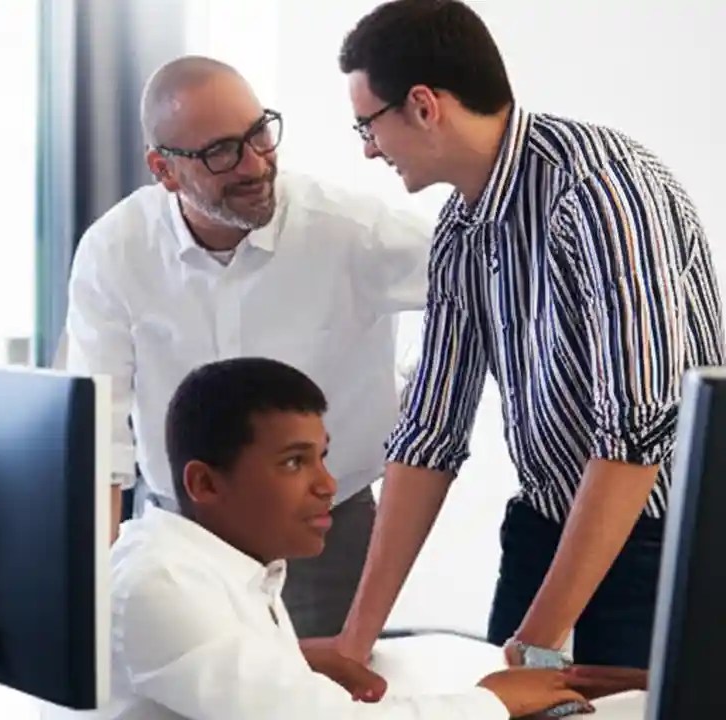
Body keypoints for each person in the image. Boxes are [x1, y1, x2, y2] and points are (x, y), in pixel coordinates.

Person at [329, 0, 725, 671]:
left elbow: (637, 433)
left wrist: (539, 644)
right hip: (544, 521)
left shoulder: (604, 191)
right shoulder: (459, 230)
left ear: (424, 105)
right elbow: (430, 431)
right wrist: (355, 640)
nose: (368, 147)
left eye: (368, 124)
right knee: (496, 702)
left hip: (660, 535)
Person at [66, 55, 434, 639]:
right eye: (221, 152)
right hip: (178, 535)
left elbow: (484, 284)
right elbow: (96, 430)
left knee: (325, 701)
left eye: (259, 133)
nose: (255, 163)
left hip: (323, 532)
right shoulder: (116, 251)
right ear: (163, 169)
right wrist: (92, 589)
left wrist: (417, 396)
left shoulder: (351, 232)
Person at [107, 356, 592, 719]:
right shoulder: (160, 583)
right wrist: (493, 701)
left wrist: (289, 660)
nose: (328, 484)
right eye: (295, 462)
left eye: (322, 457)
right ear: (204, 484)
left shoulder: (217, 566)